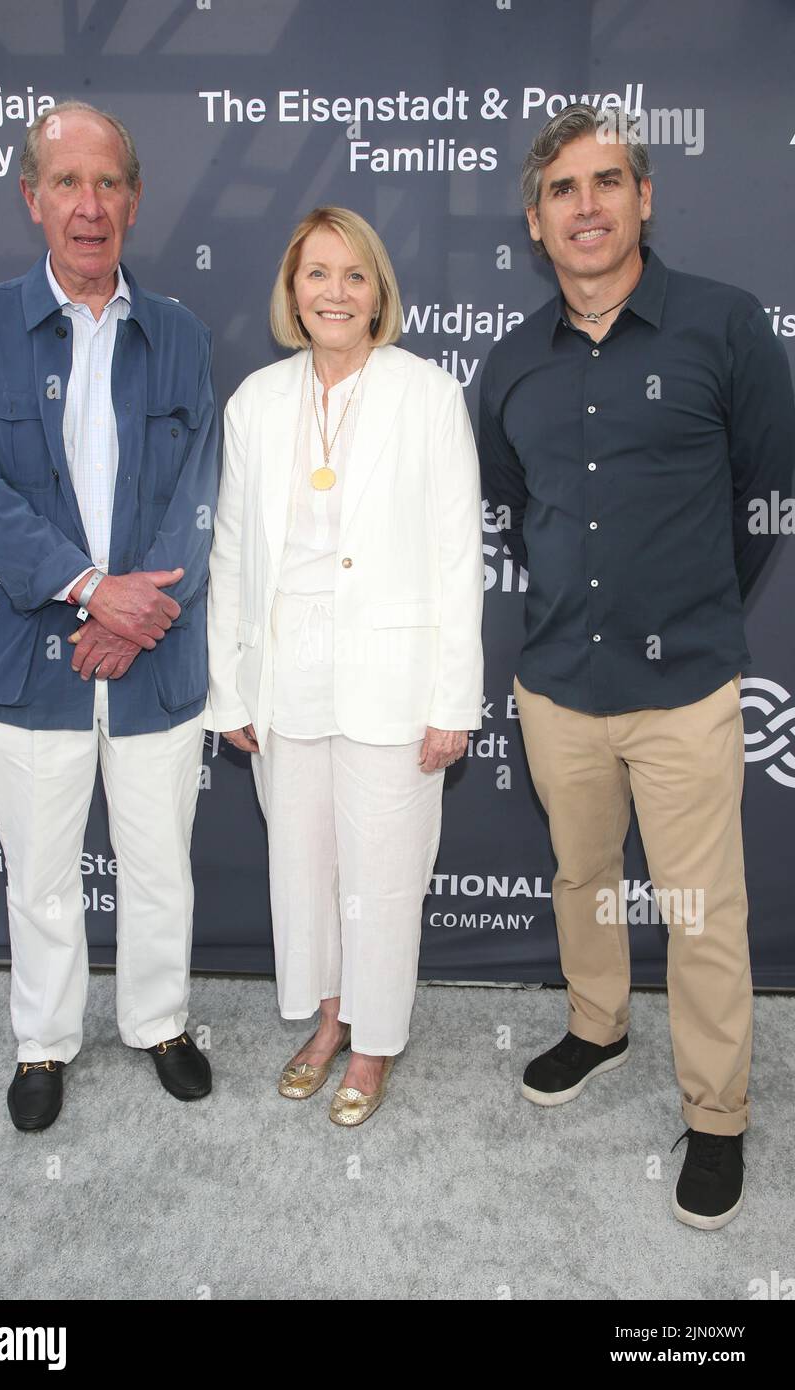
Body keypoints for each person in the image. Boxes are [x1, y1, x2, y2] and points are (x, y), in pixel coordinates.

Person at [479, 104, 794, 1228]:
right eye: (562, 190)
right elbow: (517, 511)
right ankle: (597, 1024)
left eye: (606, 182)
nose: (587, 206)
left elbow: (762, 501)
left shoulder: (724, 325)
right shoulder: (510, 362)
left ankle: (716, 1114)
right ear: (535, 218)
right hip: (558, 681)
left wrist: (688, 599)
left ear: (644, 197)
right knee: (581, 877)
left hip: (685, 688)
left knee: (701, 910)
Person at [0, 101, 218, 1131]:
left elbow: (200, 488)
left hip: (155, 652)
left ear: (134, 201)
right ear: (31, 198)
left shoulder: (180, 334)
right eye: (66, 183)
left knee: (157, 862)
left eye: (107, 184)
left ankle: (159, 1021)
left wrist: (137, 613)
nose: (88, 206)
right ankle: (43, 1041)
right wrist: (92, 591)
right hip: (26, 649)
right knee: (43, 872)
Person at [205, 206, 484, 1125]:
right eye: (317, 272)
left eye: (354, 274)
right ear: (293, 289)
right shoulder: (256, 401)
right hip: (289, 673)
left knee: (383, 873)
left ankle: (372, 1043)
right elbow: (233, 554)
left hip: (393, 680)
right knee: (307, 868)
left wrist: (452, 698)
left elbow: (456, 559)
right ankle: (328, 1016)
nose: (335, 291)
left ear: (379, 294)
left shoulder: (428, 394)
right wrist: (231, 686)